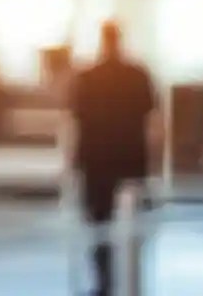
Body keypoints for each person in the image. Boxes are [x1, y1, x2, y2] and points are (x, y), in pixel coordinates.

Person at [68, 21, 157, 296]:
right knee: (134, 224)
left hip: (96, 159)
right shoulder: (138, 75)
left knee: (98, 223)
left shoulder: (88, 77)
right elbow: (152, 122)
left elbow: (76, 122)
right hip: (131, 158)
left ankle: (104, 281)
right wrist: (152, 163)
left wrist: (73, 162)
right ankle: (132, 280)